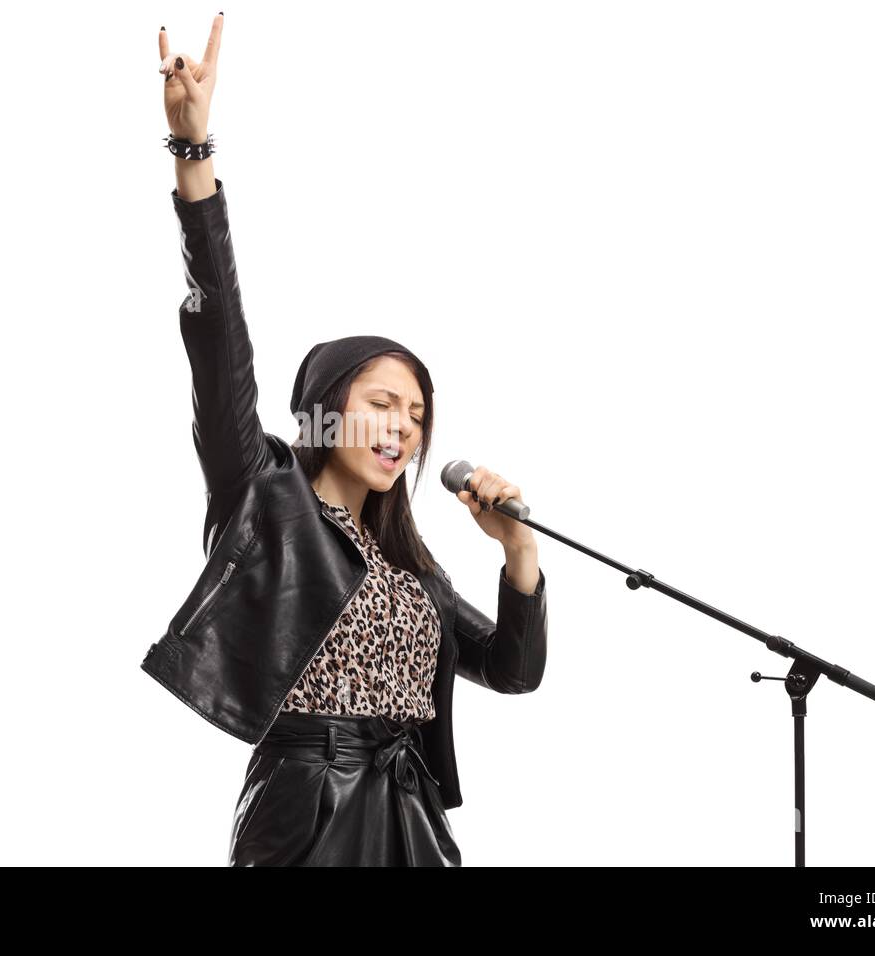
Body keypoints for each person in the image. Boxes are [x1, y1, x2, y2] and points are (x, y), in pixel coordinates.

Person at [147, 14, 550, 866]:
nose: (403, 426)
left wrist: (518, 554)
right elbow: (218, 334)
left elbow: (515, 672)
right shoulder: (265, 494)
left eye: (415, 413)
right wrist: (195, 158)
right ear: (326, 410)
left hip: (413, 817)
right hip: (307, 813)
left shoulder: (410, 567)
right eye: (382, 402)